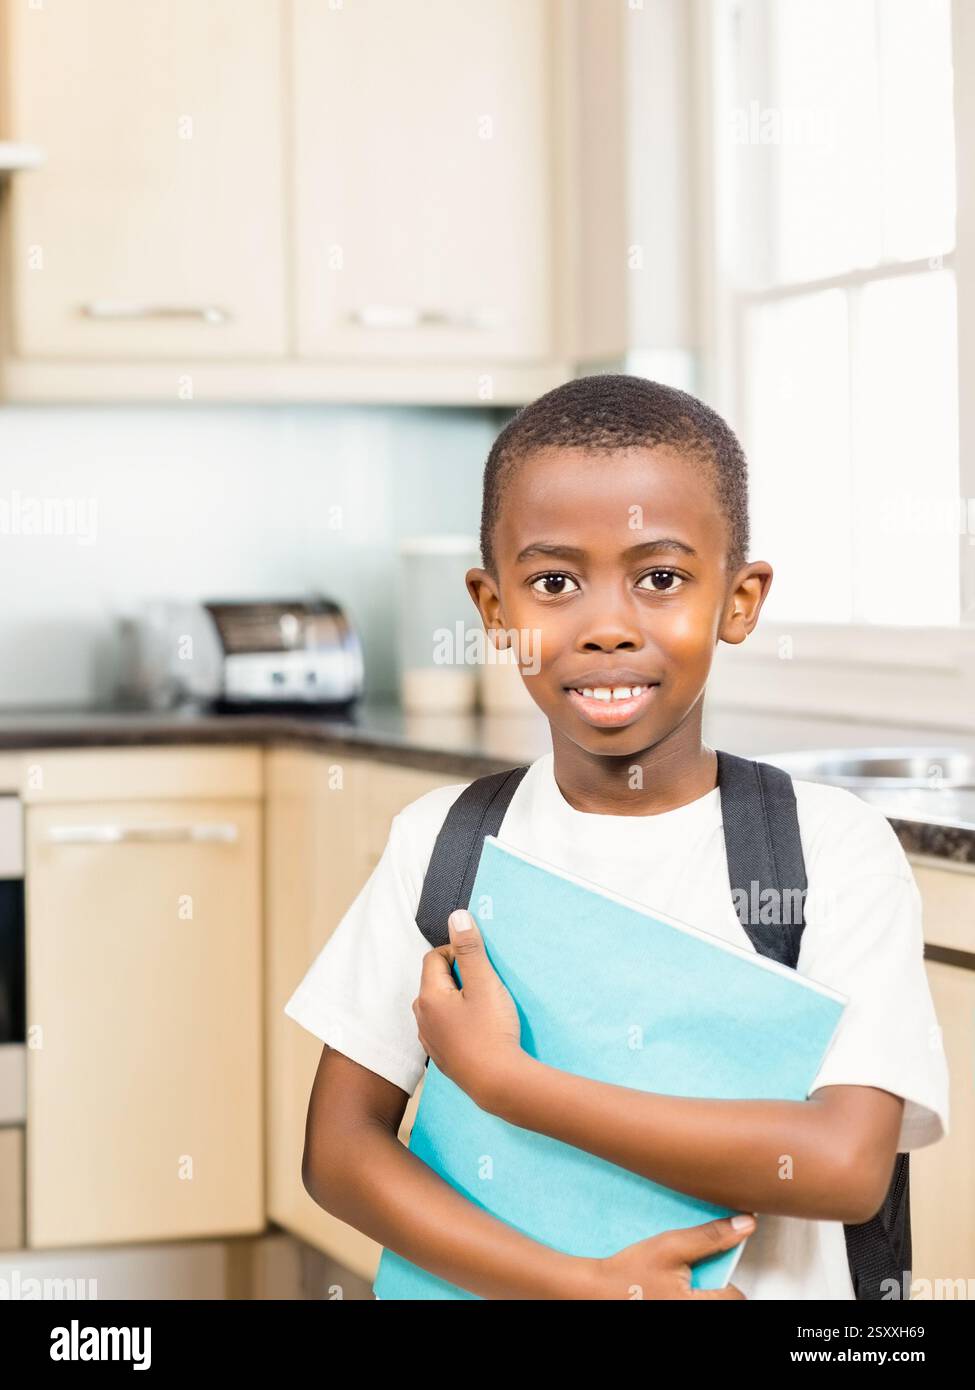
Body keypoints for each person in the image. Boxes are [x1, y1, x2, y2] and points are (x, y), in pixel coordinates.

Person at [284, 373, 949, 1299]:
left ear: (739, 600)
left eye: (661, 579)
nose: (605, 628)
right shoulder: (442, 844)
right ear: (493, 609)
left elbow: (842, 1166)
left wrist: (509, 1084)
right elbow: (340, 1152)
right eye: (553, 582)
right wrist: (581, 1286)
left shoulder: (827, 850)